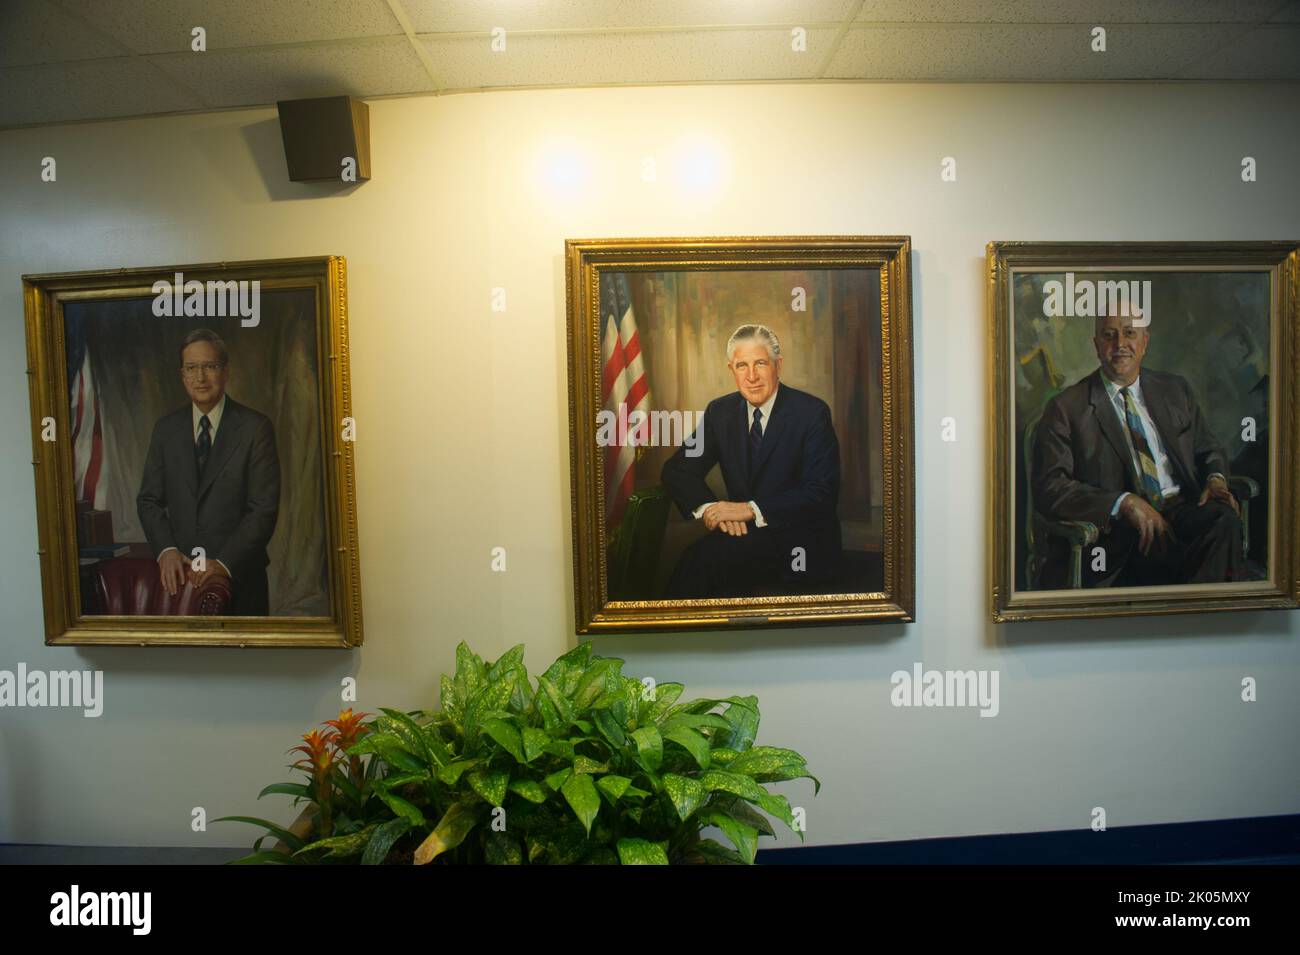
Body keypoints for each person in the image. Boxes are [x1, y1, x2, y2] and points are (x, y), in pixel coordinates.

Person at [1032, 308, 1243, 588]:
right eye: (1109, 335)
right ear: (1096, 345)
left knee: (1223, 520)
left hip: (1182, 513)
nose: (1120, 344)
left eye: (1130, 333)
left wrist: (1215, 479)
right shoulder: (1066, 408)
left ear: (1145, 341)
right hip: (1120, 537)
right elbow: (1050, 487)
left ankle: (1198, 622)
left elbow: (1208, 448)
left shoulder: (1175, 390)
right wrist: (1123, 503)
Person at [661, 324, 841, 598]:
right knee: (696, 563)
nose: (752, 376)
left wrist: (749, 509)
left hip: (800, 543)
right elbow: (678, 469)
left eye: (760, 363)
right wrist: (712, 509)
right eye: (742, 366)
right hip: (742, 537)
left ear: (778, 365)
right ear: (731, 369)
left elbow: (821, 494)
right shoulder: (720, 412)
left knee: (703, 563)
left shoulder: (812, 413)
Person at [137, 328, 281, 614]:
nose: (200, 377)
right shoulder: (166, 430)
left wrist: (223, 563)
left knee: (244, 660)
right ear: (182, 375)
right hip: (180, 583)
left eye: (209, 366)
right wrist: (166, 550)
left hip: (240, 580)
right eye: (192, 368)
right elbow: (148, 500)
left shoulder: (255, 428)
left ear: (225, 371)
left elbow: (263, 508)